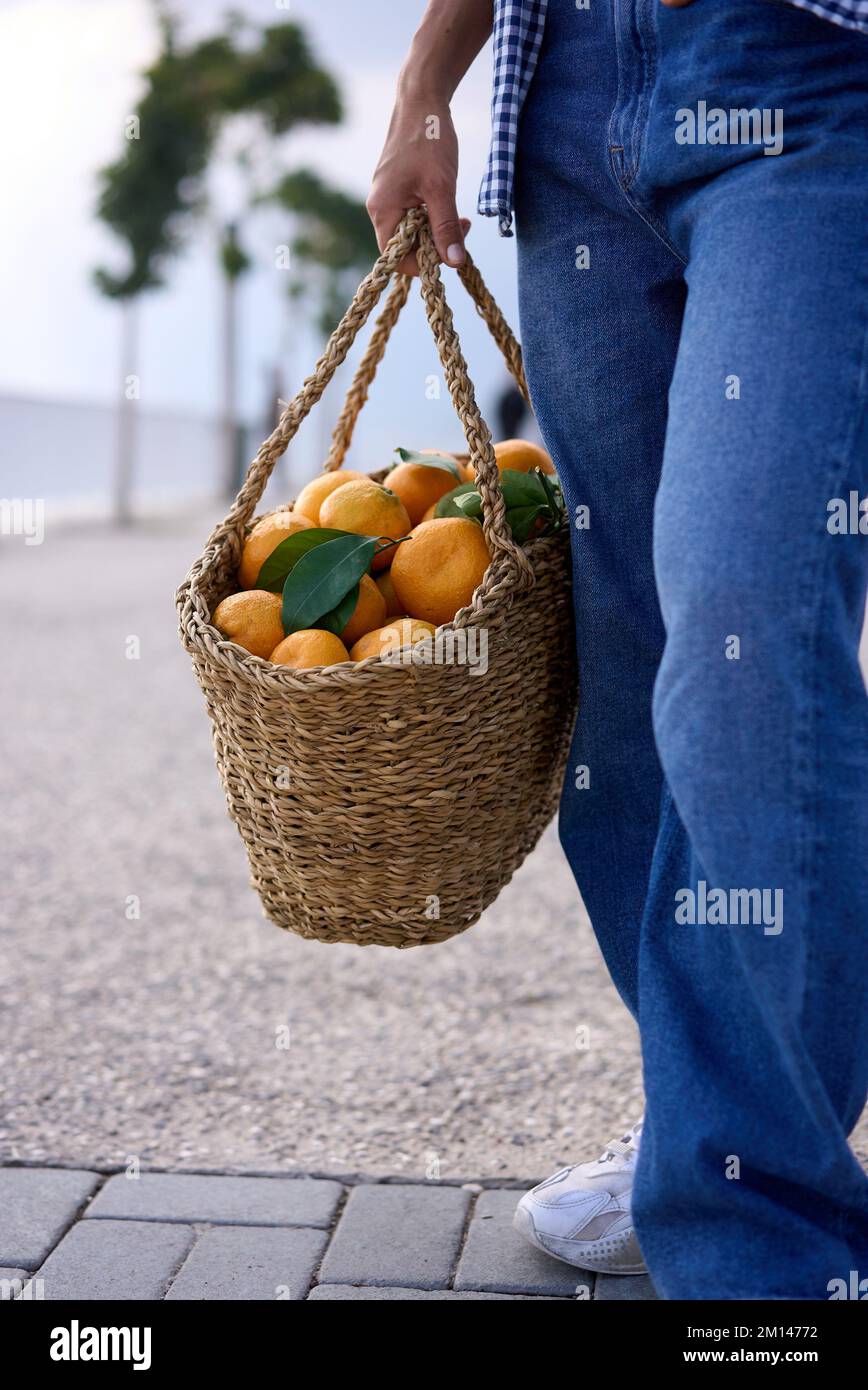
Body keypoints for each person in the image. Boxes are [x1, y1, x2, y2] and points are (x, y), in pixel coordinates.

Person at [368, 0, 868, 1300]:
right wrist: (429, 79)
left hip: (805, 73)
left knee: (739, 629)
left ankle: (766, 1260)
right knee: (616, 663)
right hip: (568, 100)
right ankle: (710, 1131)